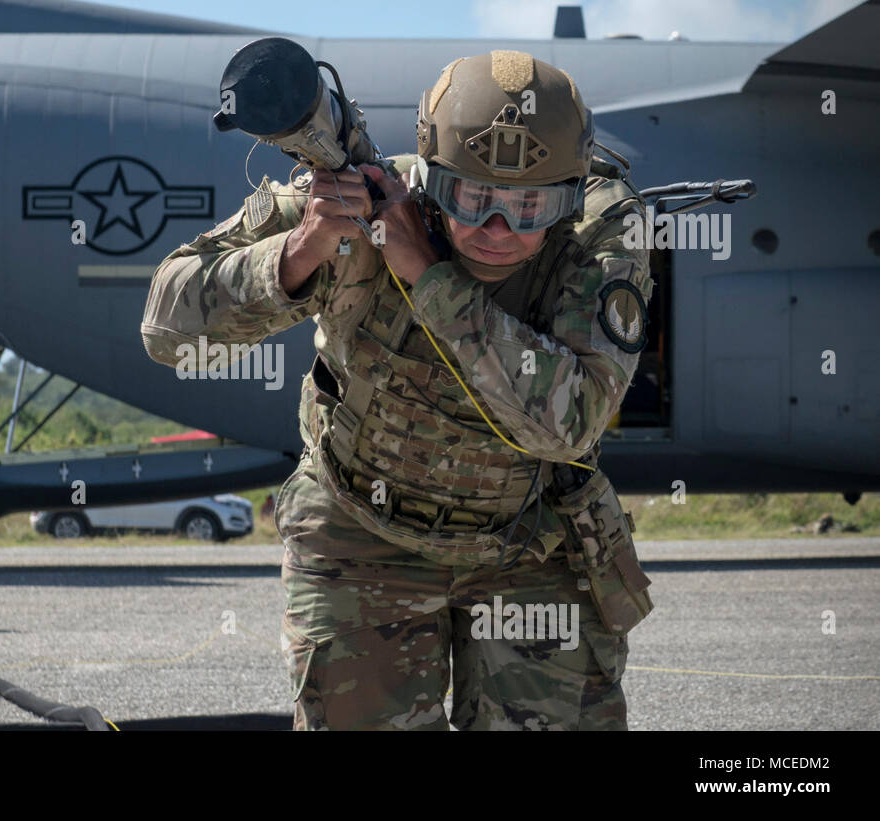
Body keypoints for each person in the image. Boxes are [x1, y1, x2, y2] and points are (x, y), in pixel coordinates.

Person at [142, 51, 655, 730]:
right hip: (359, 533)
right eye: (473, 199)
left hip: (528, 538)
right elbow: (165, 327)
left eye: (531, 206)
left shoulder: (598, 226)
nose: (497, 230)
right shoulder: (368, 200)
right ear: (433, 176)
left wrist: (426, 272)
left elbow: (570, 420)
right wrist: (300, 253)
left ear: (567, 192)